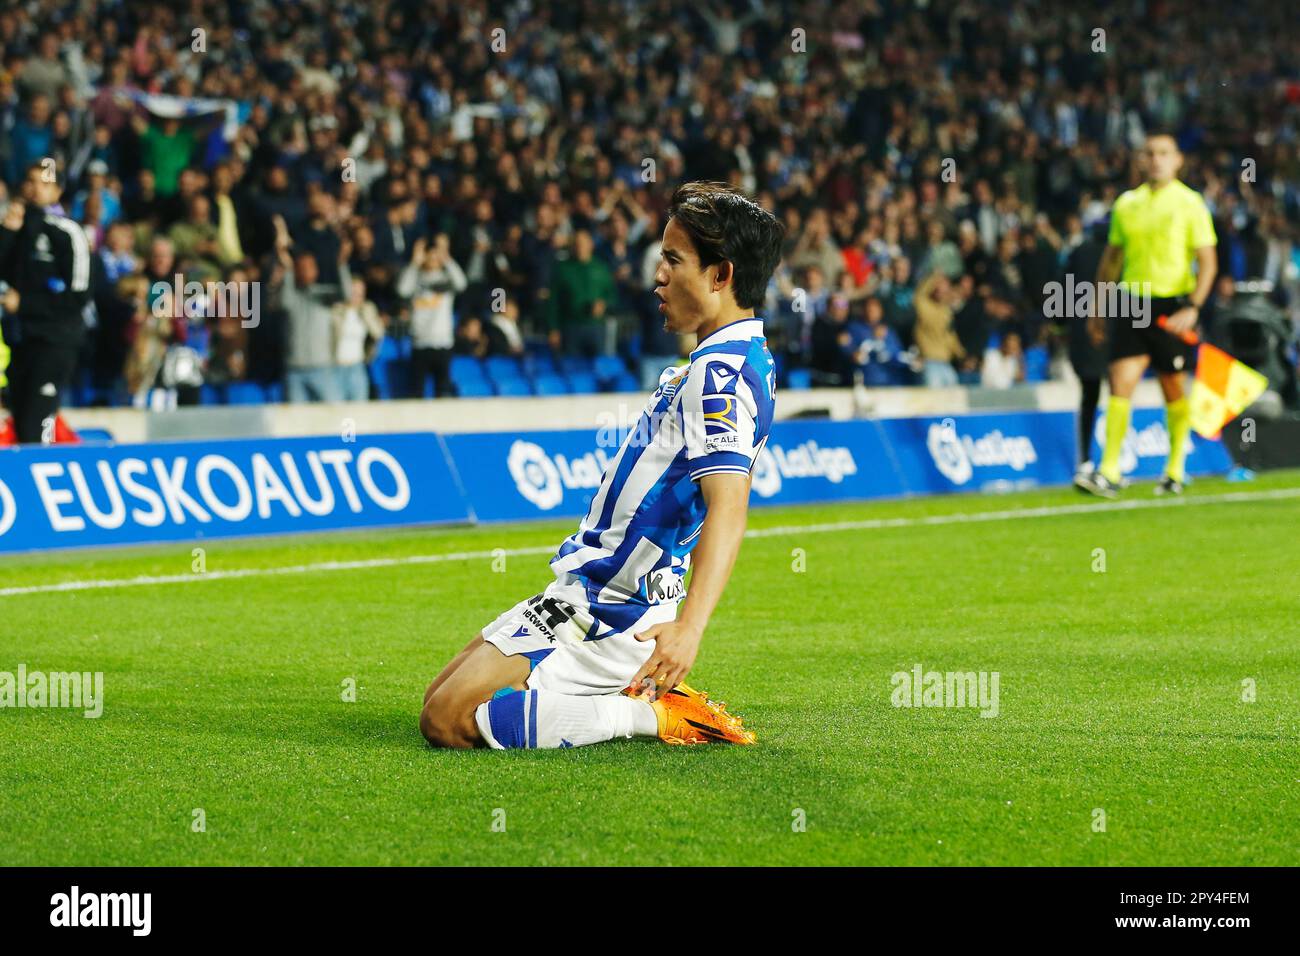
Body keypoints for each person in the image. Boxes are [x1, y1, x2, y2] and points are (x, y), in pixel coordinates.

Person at [419, 181, 784, 750]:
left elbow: (729, 507)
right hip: (589, 588)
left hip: (617, 607)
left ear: (721, 275)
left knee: (449, 720)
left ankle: (652, 716)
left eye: (672, 260)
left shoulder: (721, 376)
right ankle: (625, 695)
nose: (657, 277)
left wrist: (690, 628)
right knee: (439, 697)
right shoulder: (722, 360)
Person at [1077, 133, 1218, 498]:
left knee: (1172, 385)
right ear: (1142, 160)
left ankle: (1174, 468)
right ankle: (1109, 469)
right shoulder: (1127, 204)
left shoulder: (1190, 204)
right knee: (1120, 380)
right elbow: (1111, 260)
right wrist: (1096, 306)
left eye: (1163, 153)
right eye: (1150, 153)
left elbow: (1208, 262)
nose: (1156, 160)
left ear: (1177, 161)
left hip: (1172, 306)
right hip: (1131, 302)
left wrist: (1194, 306)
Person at [0, 163, 92, 443]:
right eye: (30, 181)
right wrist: (7, 233)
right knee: (19, 420)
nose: (35, 188)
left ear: (57, 190)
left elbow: (78, 296)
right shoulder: (17, 228)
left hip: (55, 342)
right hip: (21, 340)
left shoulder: (67, 232)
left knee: (39, 421)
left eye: (43, 183)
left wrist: (24, 304)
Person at [399, 233, 465, 398]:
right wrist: (414, 263)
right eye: (430, 254)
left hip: (443, 344)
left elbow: (462, 283)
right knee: (416, 394)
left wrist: (447, 259)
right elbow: (402, 290)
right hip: (420, 344)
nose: (433, 258)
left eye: (437, 255)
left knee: (442, 393)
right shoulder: (415, 279)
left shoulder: (447, 280)